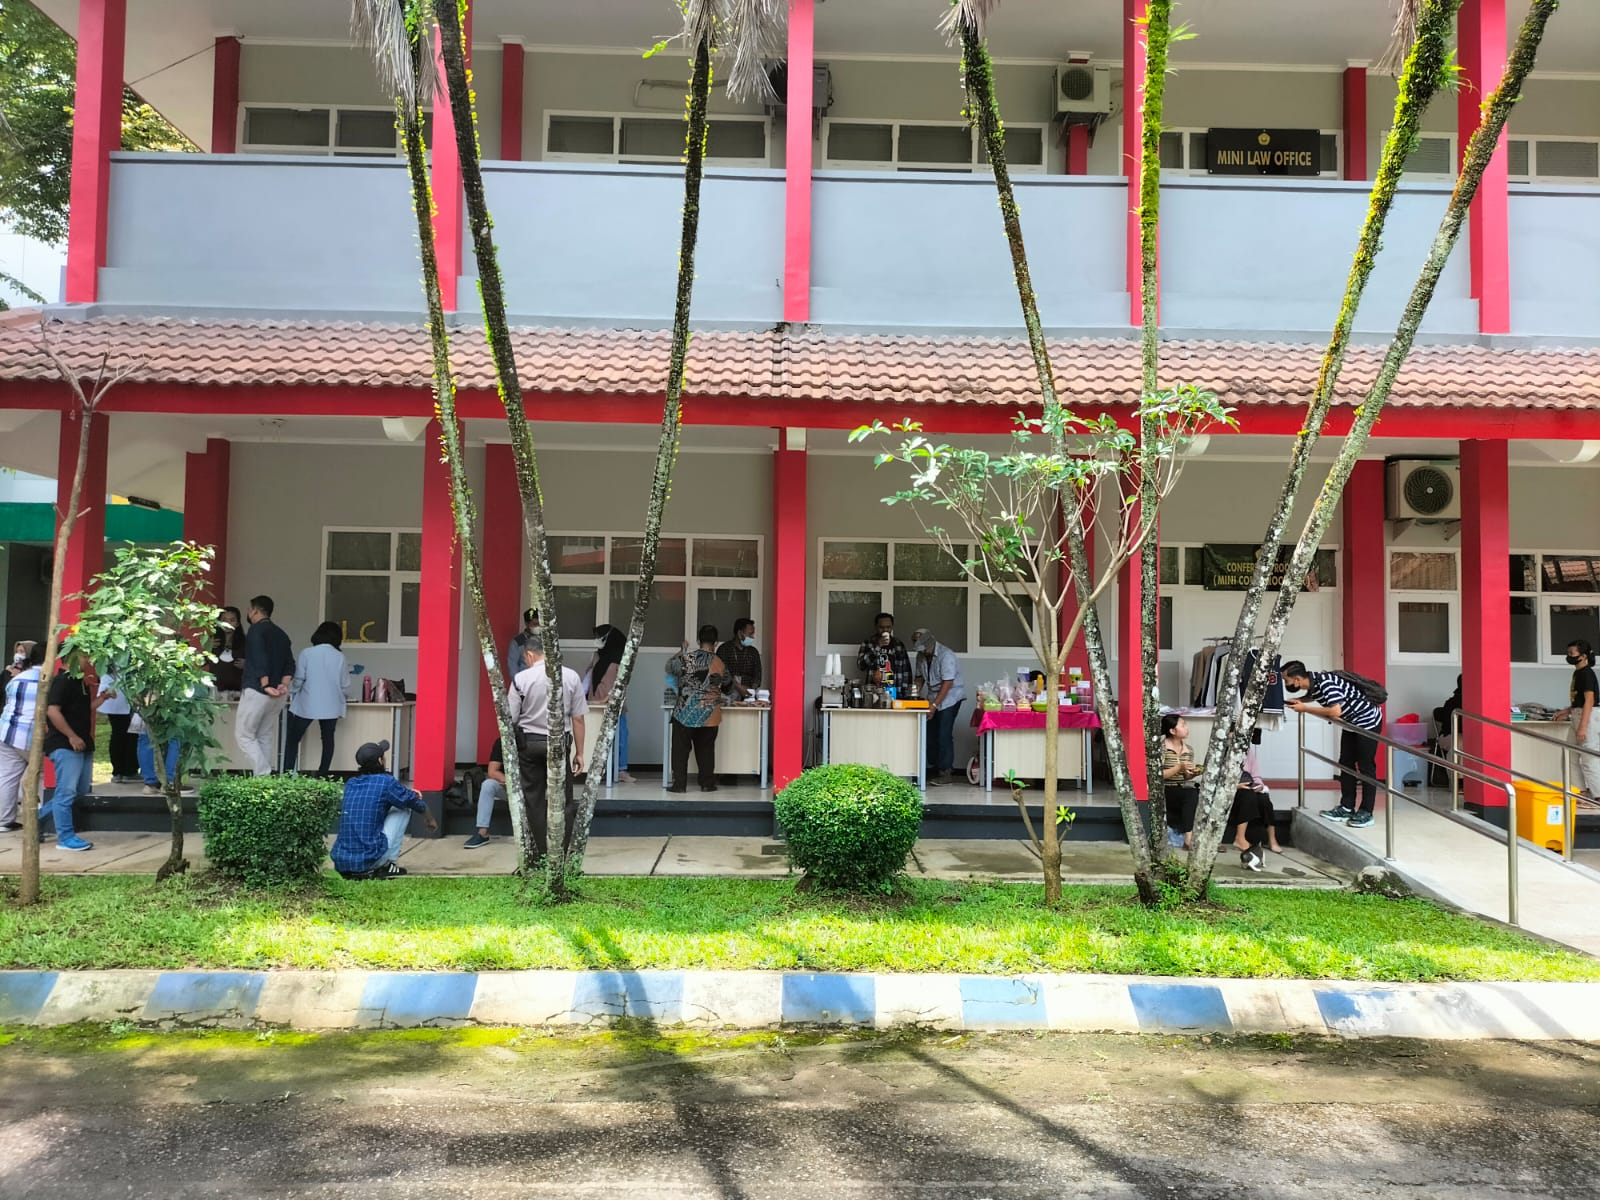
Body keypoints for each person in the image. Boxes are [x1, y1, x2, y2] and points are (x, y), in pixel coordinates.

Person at [1283, 660, 1383, 830]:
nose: (1286, 683)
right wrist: (1299, 701)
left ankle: (1366, 811)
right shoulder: (1314, 682)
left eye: (1287, 680)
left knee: (1366, 767)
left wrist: (1305, 708)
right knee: (1345, 763)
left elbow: (1336, 711)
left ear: (1298, 679)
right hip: (1351, 723)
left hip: (1367, 722)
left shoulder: (1326, 683)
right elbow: (1315, 696)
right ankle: (1346, 807)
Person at [509, 640, 587, 860]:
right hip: (559, 744)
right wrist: (579, 752)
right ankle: (561, 853)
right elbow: (578, 719)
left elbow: (511, 718)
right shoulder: (571, 676)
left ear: (530, 655)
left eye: (525, 658)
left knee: (532, 799)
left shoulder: (520, 679)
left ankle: (537, 853)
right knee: (563, 799)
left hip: (529, 744)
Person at [329, 739, 435, 879]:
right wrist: (430, 819)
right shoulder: (385, 781)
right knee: (402, 809)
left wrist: (404, 791)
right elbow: (413, 802)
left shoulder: (351, 783)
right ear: (380, 760)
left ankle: (376, 866)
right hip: (371, 859)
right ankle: (387, 865)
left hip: (342, 863)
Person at [39, 636, 98, 852]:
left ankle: (38, 817)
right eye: (83, 655)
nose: (87, 659)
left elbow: (81, 709)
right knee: (66, 793)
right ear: (70, 656)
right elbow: (52, 710)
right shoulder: (63, 680)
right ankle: (65, 837)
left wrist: (102, 699)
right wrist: (71, 736)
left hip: (82, 743)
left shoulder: (78, 680)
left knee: (79, 790)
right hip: (65, 744)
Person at [666, 625, 734, 793]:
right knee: (706, 750)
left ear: (698, 641)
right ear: (716, 642)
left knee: (680, 751)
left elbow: (669, 668)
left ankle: (679, 785)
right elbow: (728, 686)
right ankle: (707, 784)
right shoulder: (720, 663)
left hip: (684, 713)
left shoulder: (686, 659)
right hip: (710, 714)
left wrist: (681, 650)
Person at [236, 594, 294, 776]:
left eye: (249, 609)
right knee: (264, 735)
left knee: (244, 735)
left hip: (258, 689)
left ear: (255, 610)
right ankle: (264, 779)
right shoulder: (281, 633)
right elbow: (290, 663)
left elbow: (259, 657)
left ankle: (263, 774)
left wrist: (265, 683)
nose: (248, 613)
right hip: (279, 693)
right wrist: (283, 685)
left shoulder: (255, 630)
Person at [285, 621, 349, 776]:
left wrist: (290, 690)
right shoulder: (340, 656)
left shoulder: (307, 653)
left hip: (307, 704)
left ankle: (287, 773)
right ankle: (323, 774)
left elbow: (299, 678)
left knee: (293, 738)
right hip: (331, 705)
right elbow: (345, 684)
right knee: (328, 739)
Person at [0, 640, 44, 832]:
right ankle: (40, 818)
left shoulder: (17, 678)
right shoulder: (46, 679)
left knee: (7, 776)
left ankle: (4, 821)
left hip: (6, 732)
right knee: (42, 775)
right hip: (29, 735)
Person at [912, 627, 964, 786]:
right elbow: (919, 678)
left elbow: (948, 683)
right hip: (934, 696)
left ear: (931, 642)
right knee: (929, 732)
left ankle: (946, 772)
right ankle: (935, 768)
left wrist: (934, 705)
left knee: (944, 734)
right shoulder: (921, 656)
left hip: (951, 697)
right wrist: (914, 694)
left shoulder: (945, 655)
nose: (923, 652)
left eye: (924, 649)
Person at [585, 624, 634, 783]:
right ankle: (600, 769)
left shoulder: (622, 657)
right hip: (595, 704)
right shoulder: (597, 655)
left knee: (620, 737)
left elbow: (621, 682)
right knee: (596, 736)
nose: (596, 640)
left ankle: (620, 770)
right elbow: (587, 677)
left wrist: (608, 699)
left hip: (614, 704)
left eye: (599, 637)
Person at [1555, 640, 1600, 800]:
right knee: (1569, 755)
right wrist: (1567, 710)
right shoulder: (1578, 673)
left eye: (1572, 654)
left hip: (1587, 717)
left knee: (1589, 757)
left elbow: (1589, 700)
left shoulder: (1587, 673)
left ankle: (1598, 796)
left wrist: (1583, 726)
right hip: (1578, 714)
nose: (1569, 657)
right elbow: (1580, 700)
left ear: (1583, 656)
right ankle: (1580, 792)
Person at [1160, 713, 1204, 846]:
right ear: (1172, 731)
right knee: (1190, 794)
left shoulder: (1188, 750)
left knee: (1195, 792)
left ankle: (1194, 837)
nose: (1186, 728)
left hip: (1181, 788)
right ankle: (1189, 838)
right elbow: (1157, 775)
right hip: (1165, 789)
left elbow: (1185, 776)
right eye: (1183, 725)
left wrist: (1193, 773)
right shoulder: (1161, 748)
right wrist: (1179, 767)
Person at [96, 666, 140, 784]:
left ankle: (126, 770)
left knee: (131, 734)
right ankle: (123, 771)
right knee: (121, 734)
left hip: (127, 695)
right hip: (116, 694)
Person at [462, 737, 508, 850]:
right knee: (488, 785)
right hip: (510, 786)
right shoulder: (502, 741)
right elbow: (492, 772)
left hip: (534, 789)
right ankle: (483, 833)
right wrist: (511, 782)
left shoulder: (539, 738)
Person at [857, 612, 912, 694]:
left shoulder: (898, 644)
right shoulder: (868, 643)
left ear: (892, 627)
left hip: (894, 690)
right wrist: (877, 646)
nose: (885, 630)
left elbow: (906, 671)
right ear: (876, 627)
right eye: (881, 627)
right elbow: (861, 665)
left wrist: (904, 693)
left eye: (888, 627)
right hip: (874, 692)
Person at [716, 618, 763, 700]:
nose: (752, 637)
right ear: (740, 633)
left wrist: (750, 690)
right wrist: (739, 687)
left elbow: (757, 676)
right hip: (727, 696)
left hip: (749, 697)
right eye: (750, 634)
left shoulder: (753, 652)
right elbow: (722, 674)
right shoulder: (724, 649)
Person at [210, 607, 247, 695]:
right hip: (215, 690)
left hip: (238, 691)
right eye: (224, 620)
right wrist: (207, 647)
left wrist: (246, 665)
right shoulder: (212, 641)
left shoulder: (245, 642)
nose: (227, 623)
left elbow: (256, 664)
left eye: (232, 620)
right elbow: (201, 662)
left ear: (237, 623)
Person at [505, 608, 539, 684]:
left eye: (539, 624)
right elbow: (512, 667)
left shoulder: (546, 641)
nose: (538, 627)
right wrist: (519, 686)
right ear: (527, 624)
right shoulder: (517, 642)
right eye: (534, 624)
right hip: (525, 683)